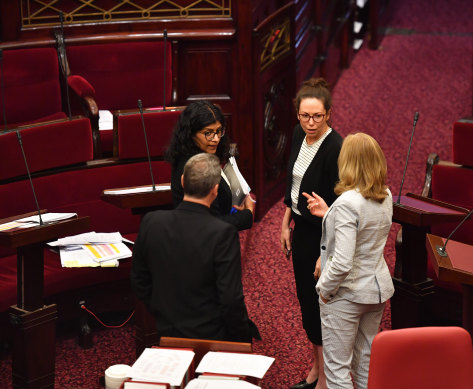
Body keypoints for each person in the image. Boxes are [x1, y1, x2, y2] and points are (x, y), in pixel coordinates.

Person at [131, 153, 260, 341]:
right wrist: (242, 338)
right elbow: (231, 299)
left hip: (166, 328)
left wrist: (162, 313)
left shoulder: (151, 221)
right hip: (212, 334)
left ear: (182, 182)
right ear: (216, 190)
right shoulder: (223, 233)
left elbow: (139, 281)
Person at [304, 133, 394, 389]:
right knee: (365, 364)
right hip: (375, 292)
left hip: (347, 295)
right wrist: (329, 213)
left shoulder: (346, 204)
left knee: (337, 371)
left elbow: (342, 262)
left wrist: (324, 290)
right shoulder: (385, 194)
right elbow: (364, 229)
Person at [280, 78, 343, 389]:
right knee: (306, 301)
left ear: (328, 114)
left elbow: (343, 206)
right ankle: (317, 365)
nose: (311, 122)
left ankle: (326, 377)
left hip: (323, 234)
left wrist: (325, 252)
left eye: (317, 116)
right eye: (305, 116)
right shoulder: (298, 134)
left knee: (322, 305)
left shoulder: (335, 147)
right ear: (297, 115)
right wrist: (284, 221)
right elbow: (294, 182)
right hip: (301, 229)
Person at [166, 100, 254, 231]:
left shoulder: (201, 155)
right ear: (191, 133)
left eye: (219, 131)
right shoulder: (195, 168)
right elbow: (209, 224)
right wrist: (247, 215)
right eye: (208, 133)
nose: (216, 138)